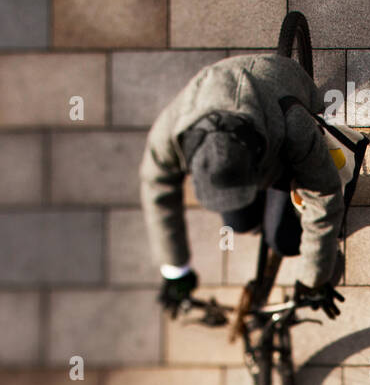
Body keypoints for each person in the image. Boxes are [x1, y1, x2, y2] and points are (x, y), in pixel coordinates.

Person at [139, 52, 346, 319]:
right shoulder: (171, 130)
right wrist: (175, 269)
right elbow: (156, 189)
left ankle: (324, 247)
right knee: (239, 222)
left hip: (278, 97)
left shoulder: (293, 123)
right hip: (233, 111)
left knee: (285, 241)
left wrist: (314, 278)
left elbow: (324, 193)